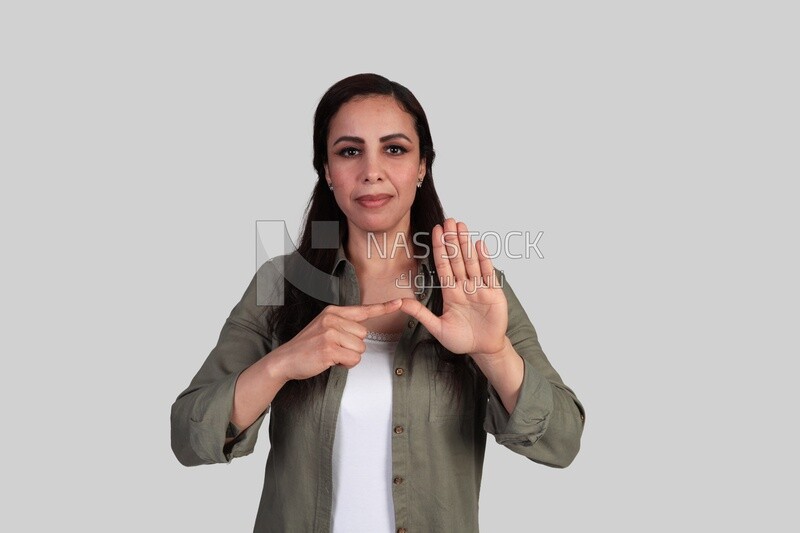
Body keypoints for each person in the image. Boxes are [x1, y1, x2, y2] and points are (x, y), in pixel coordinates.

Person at [170, 73, 585, 533]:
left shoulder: (476, 288)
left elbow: (562, 441)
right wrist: (281, 364)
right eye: (349, 151)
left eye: (394, 149)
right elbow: (189, 436)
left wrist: (493, 353)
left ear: (423, 165)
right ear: (326, 171)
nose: (372, 171)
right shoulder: (281, 283)